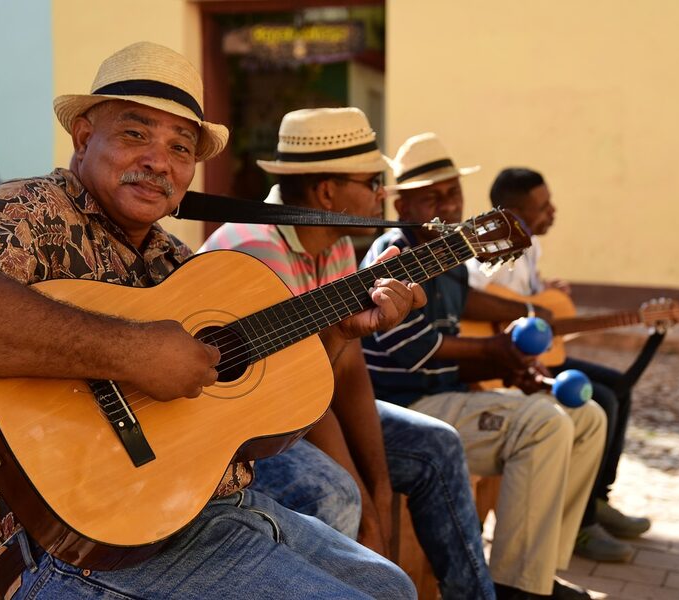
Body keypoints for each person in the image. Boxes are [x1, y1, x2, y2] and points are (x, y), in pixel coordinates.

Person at [0, 42, 422, 599]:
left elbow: (263, 418)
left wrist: (335, 333)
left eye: (180, 147)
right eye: (135, 134)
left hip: (205, 515)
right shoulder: (27, 210)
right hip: (75, 551)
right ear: (84, 136)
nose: (158, 161)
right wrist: (130, 352)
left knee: (393, 589)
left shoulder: (179, 263)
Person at [201, 107, 497, 600]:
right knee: (333, 493)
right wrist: (366, 501)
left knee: (437, 445)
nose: (383, 195)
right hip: (239, 434)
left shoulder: (335, 243)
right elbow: (301, 395)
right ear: (326, 192)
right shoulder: (256, 250)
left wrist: (379, 488)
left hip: (300, 406)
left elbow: (347, 367)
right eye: (373, 182)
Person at [361, 133, 607, 600]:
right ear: (403, 205)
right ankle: (517, 588)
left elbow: (466, 304)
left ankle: (538, 572)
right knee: (544, 424)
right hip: (407, 407)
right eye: (432, 196)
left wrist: (514, 356)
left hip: (446, 397)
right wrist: (493, 351)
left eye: (453, 192)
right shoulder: (394, 252)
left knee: (588, 418)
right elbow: (413, 349)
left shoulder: (447, 251)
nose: (448, 205)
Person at [468, 167, 651, 561]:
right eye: (543, 205)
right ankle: (581, 525)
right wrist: (531, 308)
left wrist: (545, 293)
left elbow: (523, 298)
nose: (553, 211)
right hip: (505, 360)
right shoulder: (494, 244)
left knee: (617, 386)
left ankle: (596, 498)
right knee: (597, 399)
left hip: (535, 352)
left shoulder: (530, 245)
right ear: (514, 211)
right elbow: (470, 297)